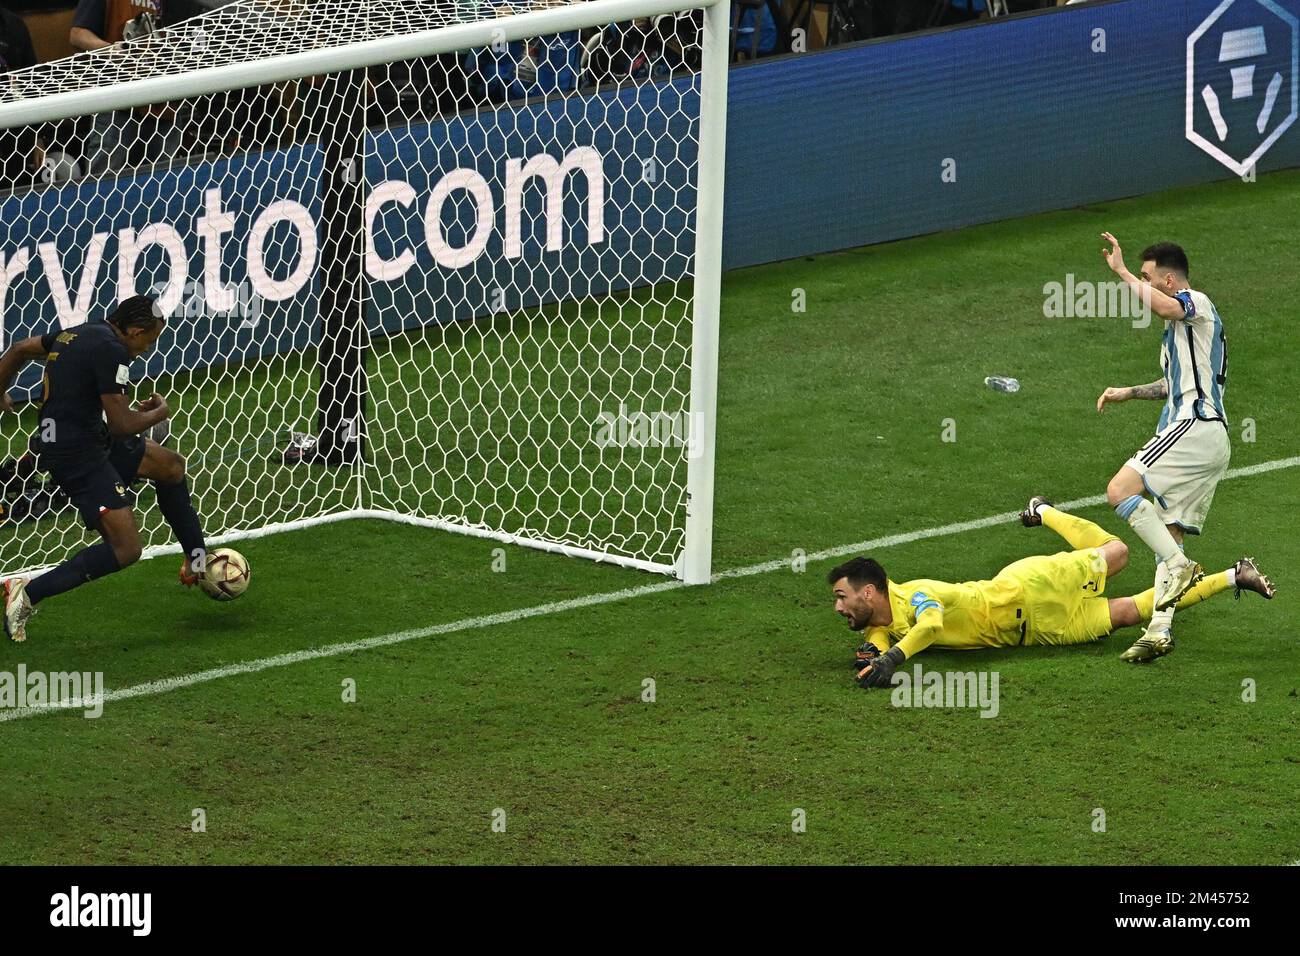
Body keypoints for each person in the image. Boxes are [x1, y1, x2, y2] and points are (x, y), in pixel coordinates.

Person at [828, 496, 1274, 688]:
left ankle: (1042, 510)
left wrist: (891, 659)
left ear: (870, 592)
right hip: (1038, 631)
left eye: (843, 597)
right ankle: (1235, 575)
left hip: (1030, 587)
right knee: (1131, 613)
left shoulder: (919, 594)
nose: (838, 607)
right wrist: (873, 656)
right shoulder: (884, 622)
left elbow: (929, 626)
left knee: (1116, 552)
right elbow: (882, 638)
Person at [0, 295, 210, 643]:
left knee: (170, 466)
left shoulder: (80, 332)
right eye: (149, 341)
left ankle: (198, 560)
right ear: (135, 330)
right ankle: (27, 593)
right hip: (75, 452)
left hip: (86, 436)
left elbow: (21, 348)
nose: (147, 349)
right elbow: (123, 424)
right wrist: (161, 411)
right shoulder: (112, 351)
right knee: (126, 548)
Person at [1097, 236, 1230, 662]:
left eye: (1147, 277)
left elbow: (1164, 305)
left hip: (1193, 427)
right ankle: (1159, 630)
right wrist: (1129, 392)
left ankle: (1180, 569)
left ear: (1169, 280)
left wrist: (1119, 273)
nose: (1144, 284)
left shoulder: (1197, 303)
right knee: (1167, 536)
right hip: (1210, 441)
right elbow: (1172, 386)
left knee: (1120, 491)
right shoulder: (1179, 334)